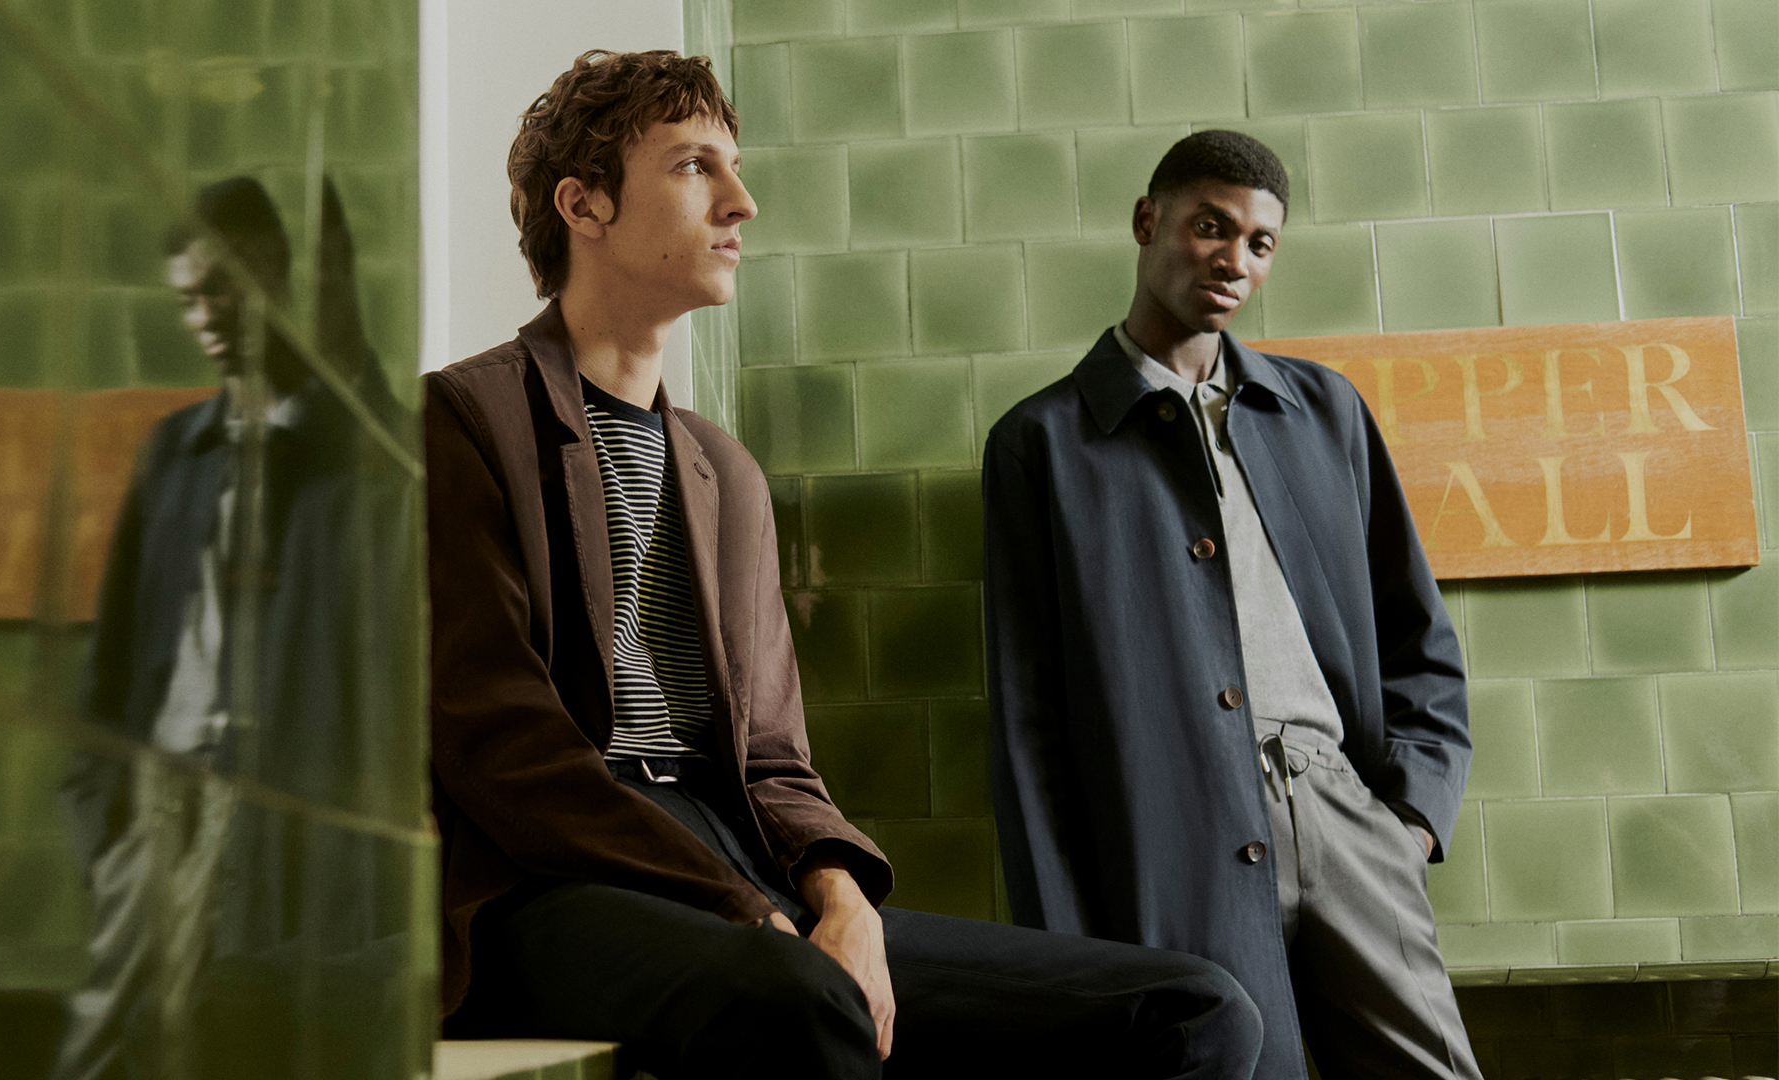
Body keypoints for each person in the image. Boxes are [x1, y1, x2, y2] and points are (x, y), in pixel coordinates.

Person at [426, 49, 1262, 1080]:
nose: (742, 203)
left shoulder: (723, 471)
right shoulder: (464, 421)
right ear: (583, 203)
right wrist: (739, 906)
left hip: (740, 857)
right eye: (693, 167)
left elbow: (775, 760)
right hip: (546, 882)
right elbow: (503, 751)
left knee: (1194, 1012)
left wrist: (843, 899)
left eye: (734, 169)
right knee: (803, 998)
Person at [982, 129, 1481, 1080]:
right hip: (1171, 842)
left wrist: (1410, 820)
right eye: (1210, 227)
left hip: (1344, 812)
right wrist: (1065, 938)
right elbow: (1029, 724)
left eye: (1260, 243)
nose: (1234, 260)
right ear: (1148, 220)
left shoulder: (1325, 412)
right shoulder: (1040, 444)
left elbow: (1417, 632)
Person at [54, 176, 419, 1080]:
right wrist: (105, 829)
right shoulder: (175, 451)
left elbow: (384, 449)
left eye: (223, 287)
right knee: (108, 1048)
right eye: (188, 298)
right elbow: (113, 662)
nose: (206, 315)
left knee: (238, 1034)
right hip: (158, 801)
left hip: (275, 806)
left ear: (275, 274)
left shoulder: (359, 453)